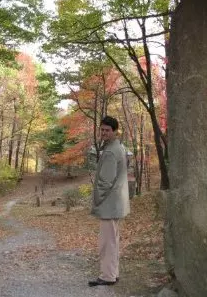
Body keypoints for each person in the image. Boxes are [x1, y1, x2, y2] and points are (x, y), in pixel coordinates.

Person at [88, 116, 130, 287]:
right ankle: (113, 273)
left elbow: (105, 181)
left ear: (114, 131)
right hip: (115, 203)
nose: (104, 133)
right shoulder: (117, 147)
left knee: (107, 242)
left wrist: (97, 199)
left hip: (109, 204)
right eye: (102, 129)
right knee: (113, 240)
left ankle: (107, 276)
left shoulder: (112, 151)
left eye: (107, 130)